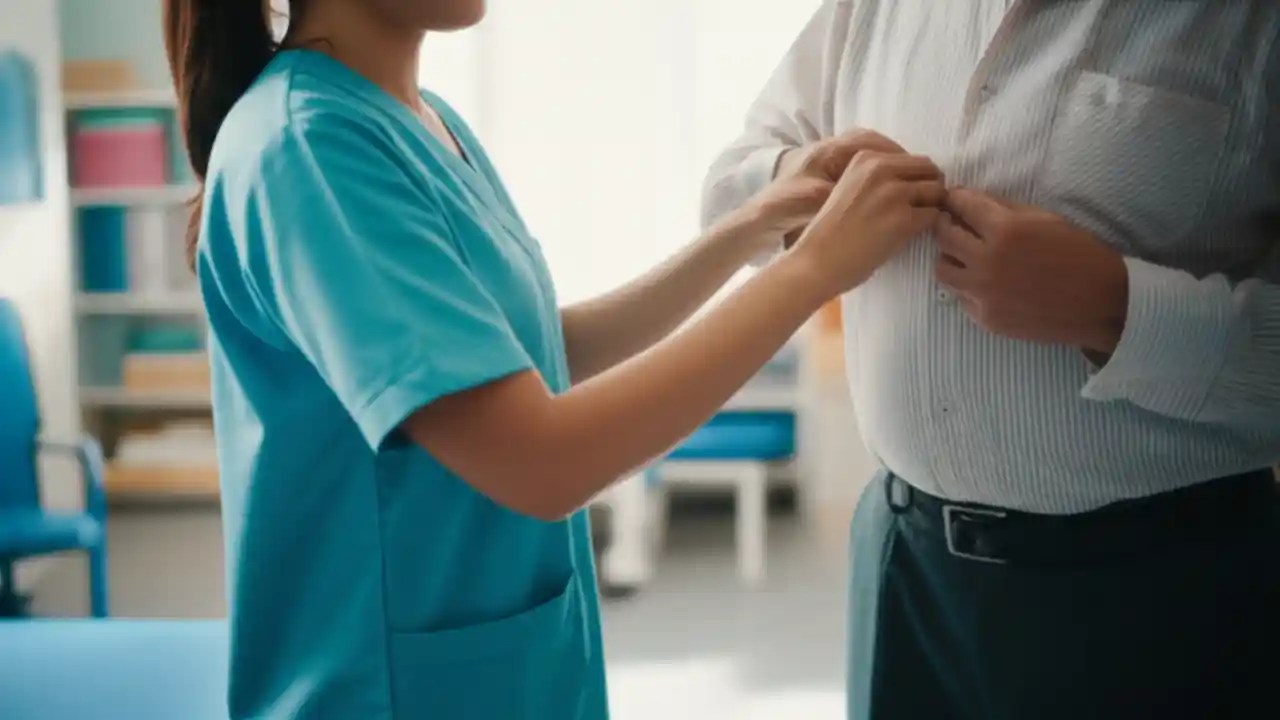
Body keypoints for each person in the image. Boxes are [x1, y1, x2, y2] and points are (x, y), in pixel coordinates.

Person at [161, 0, 945, 717]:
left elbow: (534, 355)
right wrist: (813, 274)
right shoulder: (311, 145)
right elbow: (541, 462)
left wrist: (754, 227)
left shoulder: (422, 121)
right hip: (388, 689)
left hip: (502, 670)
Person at [703, 2, 1280, 719]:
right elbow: (733, 185)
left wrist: (1116, 308)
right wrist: (802, 181)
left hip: (1166, 600)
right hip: (900, 575)